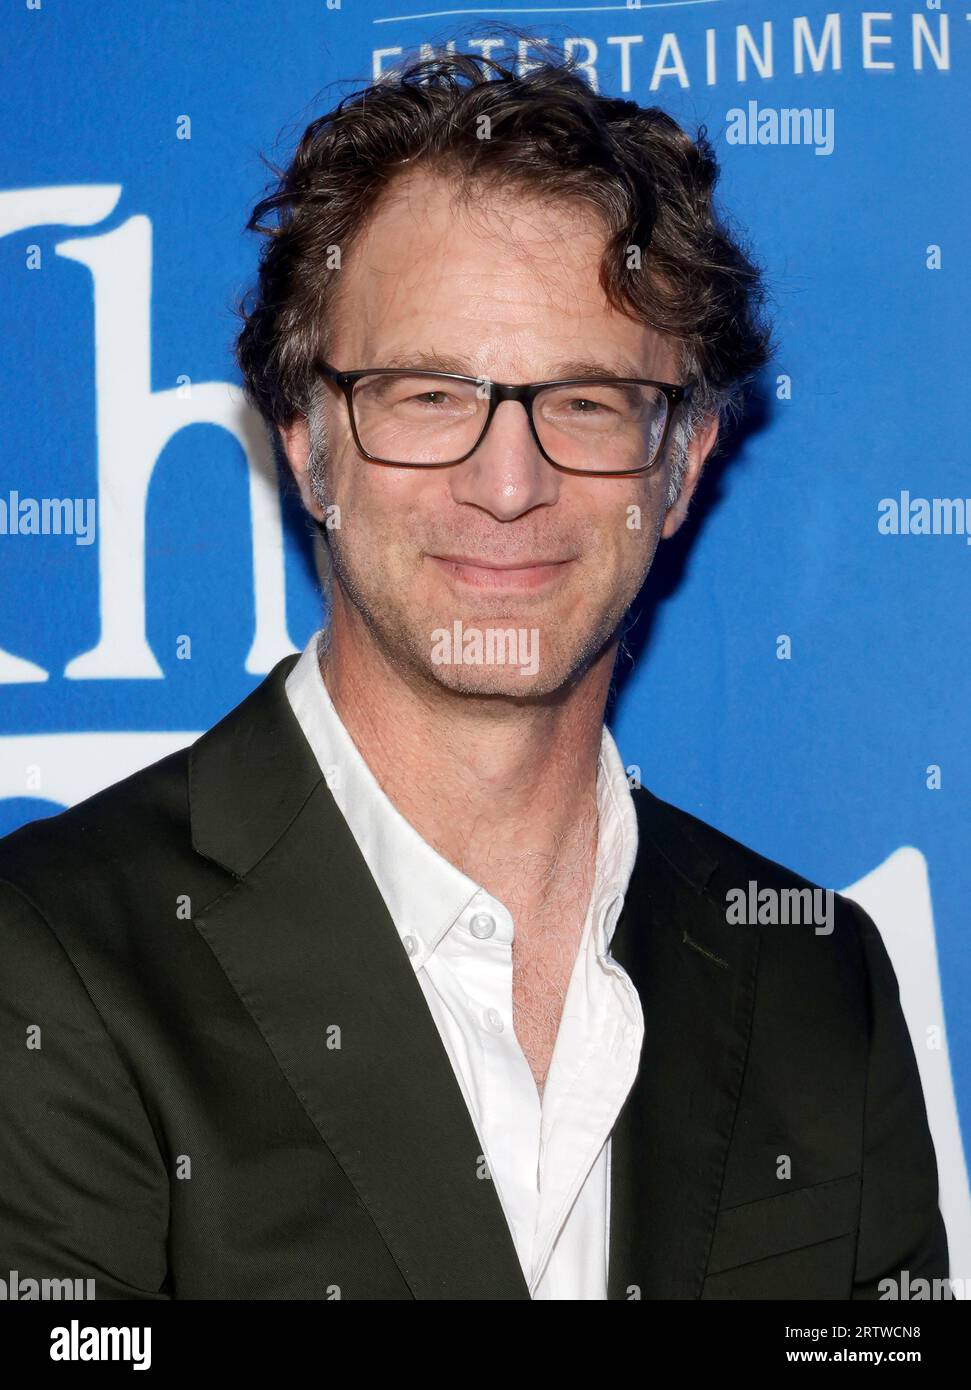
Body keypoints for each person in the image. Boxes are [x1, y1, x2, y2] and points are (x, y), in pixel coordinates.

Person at [0, 49, 947, 1300]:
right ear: (305, 441)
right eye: (427, 395)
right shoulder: (53, 960)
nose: (508, 486)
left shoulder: (817, 975)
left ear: (683, 461)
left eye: (589, 402)